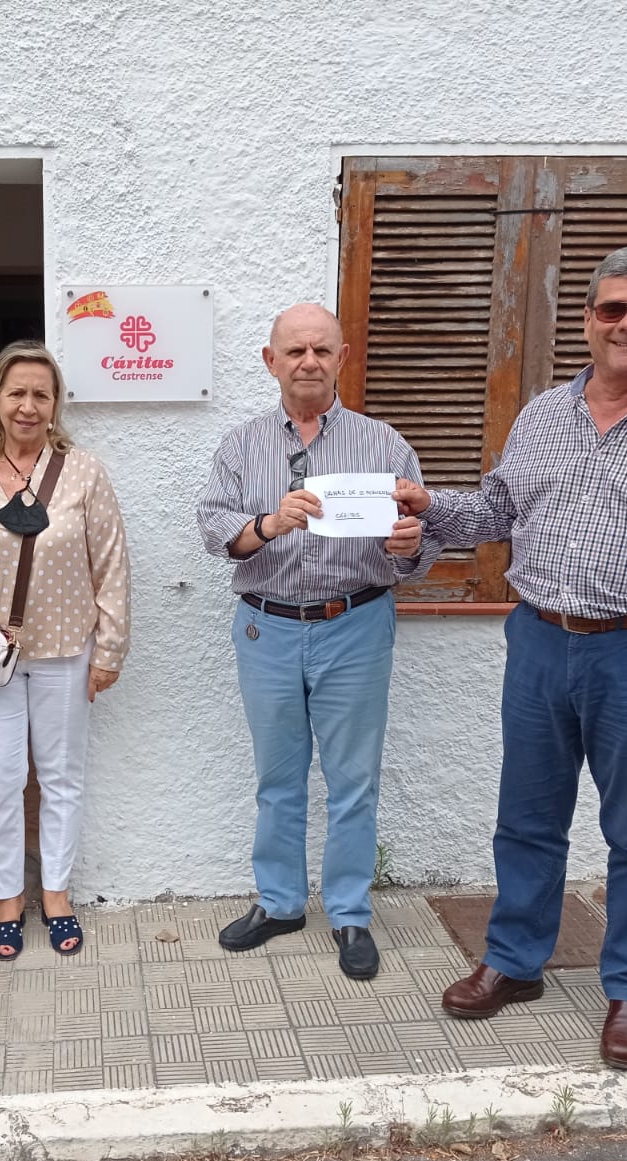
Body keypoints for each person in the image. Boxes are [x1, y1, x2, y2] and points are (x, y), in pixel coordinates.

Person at [396, 246, 627, 1069]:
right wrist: (430, 512)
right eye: (612, 309)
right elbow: (496, 507)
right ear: (590, 320)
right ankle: (515, 961)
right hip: (537, 640)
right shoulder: (542, 415)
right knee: (526, 817)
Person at [195, 303, 438, 980]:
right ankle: (279, 903)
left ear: (342, 357)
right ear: (270, 361)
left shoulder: (384, 444)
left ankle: (351, 913)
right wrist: (269, 523)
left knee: (353, 780)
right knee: (277, 779)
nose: (308, 361)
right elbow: (216, 530)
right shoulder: (241, 446)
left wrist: (411, 541)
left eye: (321, 350)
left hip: (356, 623)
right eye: (294, 350)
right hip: (266, 624)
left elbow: (416, 547)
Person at [0, 341, 129, 960]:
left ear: (55, 404)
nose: (28, 405)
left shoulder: (84, 471)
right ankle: (6, 900)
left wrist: (109, 650)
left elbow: (111, 565)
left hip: (65, 648)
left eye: (40, 394)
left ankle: (55, 893)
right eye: (16, 392)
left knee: (60, 776)